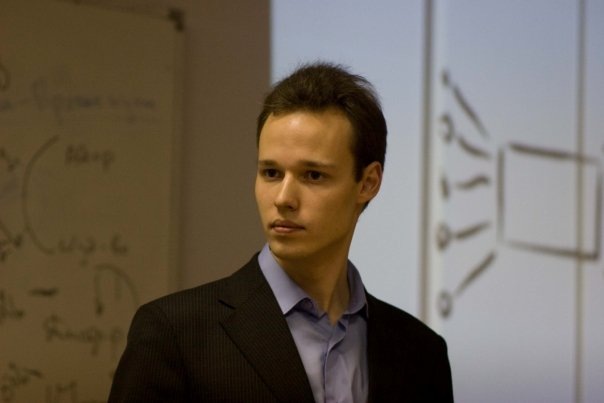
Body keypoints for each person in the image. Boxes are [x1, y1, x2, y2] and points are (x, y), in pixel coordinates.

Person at [108, 62, 453, 403]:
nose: (283, 198)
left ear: (368, 183)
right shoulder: (174, 334)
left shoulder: (421, 352)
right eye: (271, 173)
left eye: (313, 175)